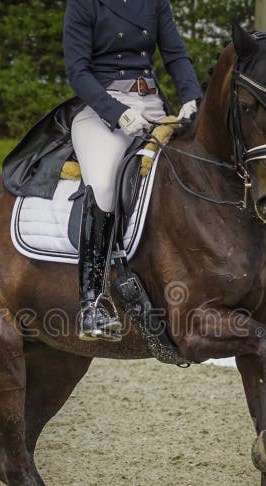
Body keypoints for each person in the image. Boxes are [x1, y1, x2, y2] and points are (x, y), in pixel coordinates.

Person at [64, 0, 202, 342]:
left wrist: (191, 98)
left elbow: (175, 55)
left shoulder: (155, 2)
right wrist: (117, 113)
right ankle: (92, 303)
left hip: (152, 104)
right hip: (102, 110)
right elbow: (77, 71)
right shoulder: (84, 4)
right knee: (103, 185)